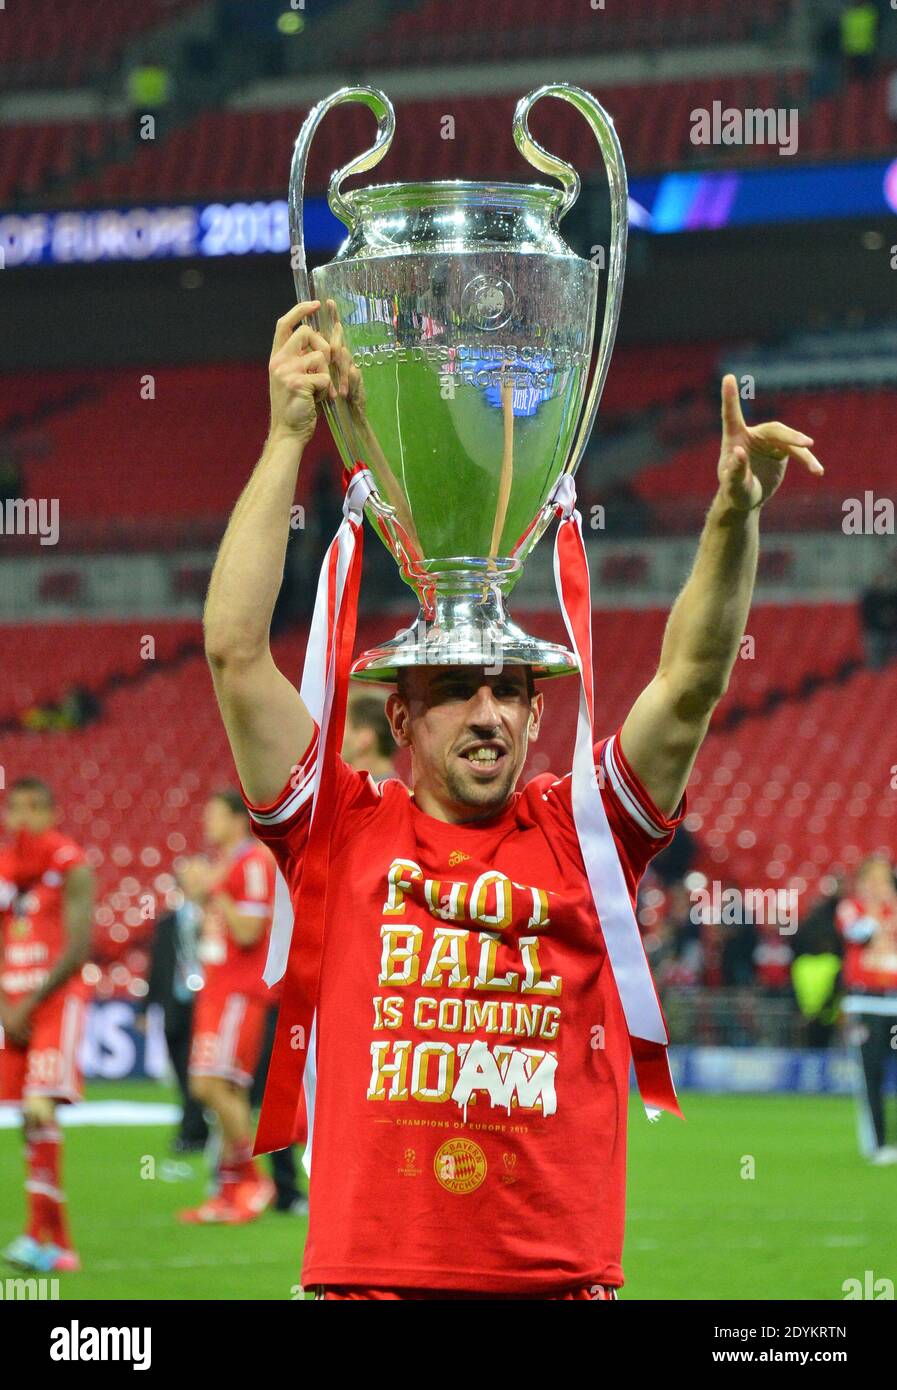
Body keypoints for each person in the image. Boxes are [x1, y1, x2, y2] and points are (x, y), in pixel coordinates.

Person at [202, 300, 823, 1299]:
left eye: (509, 690)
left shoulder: (587, 833)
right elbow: (236, 656)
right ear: (399, 719)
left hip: (556, 1285)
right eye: (454, 690)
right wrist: (285, 437)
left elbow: (695, 675)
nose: (487, 712)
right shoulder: (341, 828)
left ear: (538, 716)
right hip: (371, 1284)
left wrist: (733, 512)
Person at [0, 778, 94, 1274]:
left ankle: (40, 1236)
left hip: (56, 1001)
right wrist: (4, 1005)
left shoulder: (70, 863)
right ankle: (59, 1245)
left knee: (40, 1108)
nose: (23, 817)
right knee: (30, 1122)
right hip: (11, 1006)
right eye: (15, 807)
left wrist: (30, 1000)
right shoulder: (3, 866)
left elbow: (78, 946)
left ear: (53, 812)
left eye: (35, 807)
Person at [178, 791, 277, 1223]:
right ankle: (228, 1189)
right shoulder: (225, 865)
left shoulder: (253, 862)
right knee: (222, 1090)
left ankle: (255, 1180)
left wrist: (212, 890)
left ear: (238, 820)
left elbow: (251, 929)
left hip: (239, 991)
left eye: (214, 815)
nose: (207, 823)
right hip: (217, 989)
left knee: (212, 1087)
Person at [138, 875, 208, 1152]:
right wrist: (146, 1008)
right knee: (182, 1071)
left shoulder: (213, 920)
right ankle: (196, 1129)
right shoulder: (167, 923)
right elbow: (156, 968)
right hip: (175, 1005)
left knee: (200, 1073)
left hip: (205, 1004)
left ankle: (192, 1133)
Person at [837, 856, 897, 1163]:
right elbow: (857, 935)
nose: (879, 884)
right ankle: (878, 1144)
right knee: (870, 1075)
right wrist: (875, 908)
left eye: (884, 878)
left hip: (895, 1001)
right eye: (873, 878)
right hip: (866, 1003)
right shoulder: (852, 908)